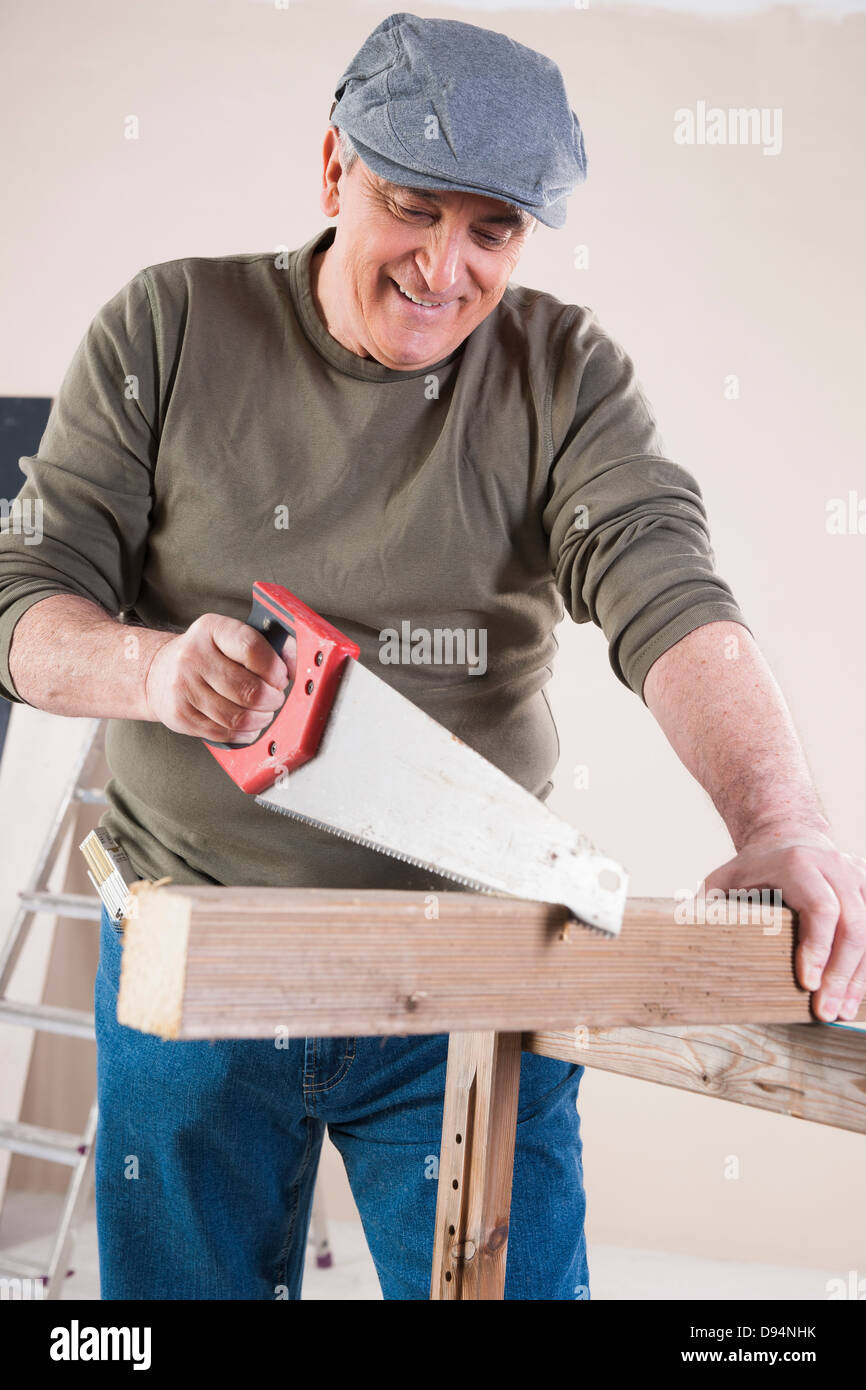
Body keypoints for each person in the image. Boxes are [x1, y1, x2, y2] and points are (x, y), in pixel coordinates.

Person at [0, 12, 862, 1301]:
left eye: (493, 231)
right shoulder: (170, 326)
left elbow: (667, 591)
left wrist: (782, 817)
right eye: (413, 208)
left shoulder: (563, 374)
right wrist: (157, 674)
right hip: (203, 953)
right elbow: (25, 604)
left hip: (474, 961)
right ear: (335, 168)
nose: (445, 270)